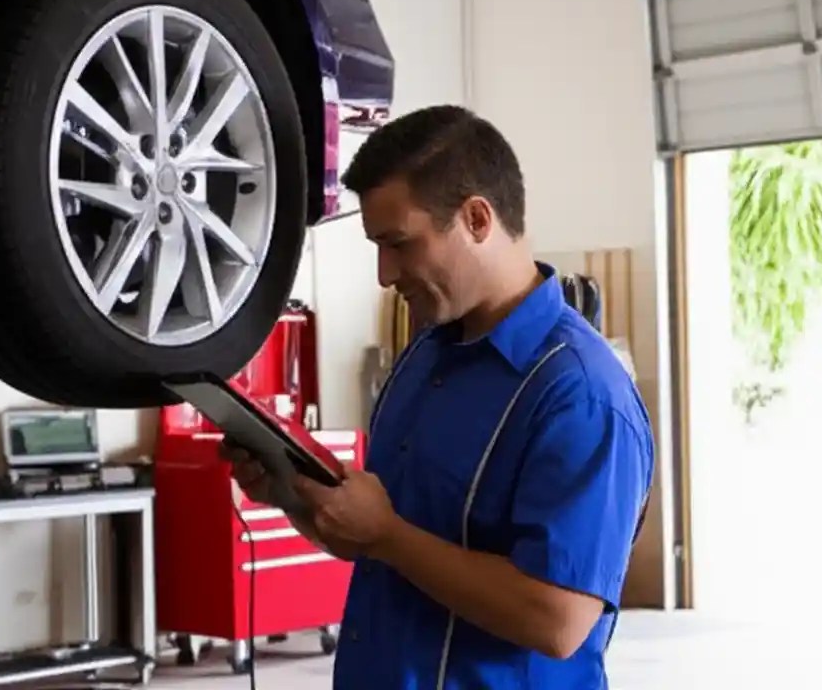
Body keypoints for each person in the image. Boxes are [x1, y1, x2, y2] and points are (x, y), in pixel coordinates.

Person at [220, 104, 654, 689]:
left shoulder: (579, 392)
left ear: (478, 219)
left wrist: (388, 537)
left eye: (399, 244)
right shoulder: (424, 359)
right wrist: (293, 497)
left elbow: (557, 621)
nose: (383, 273)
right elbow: (376, 542)